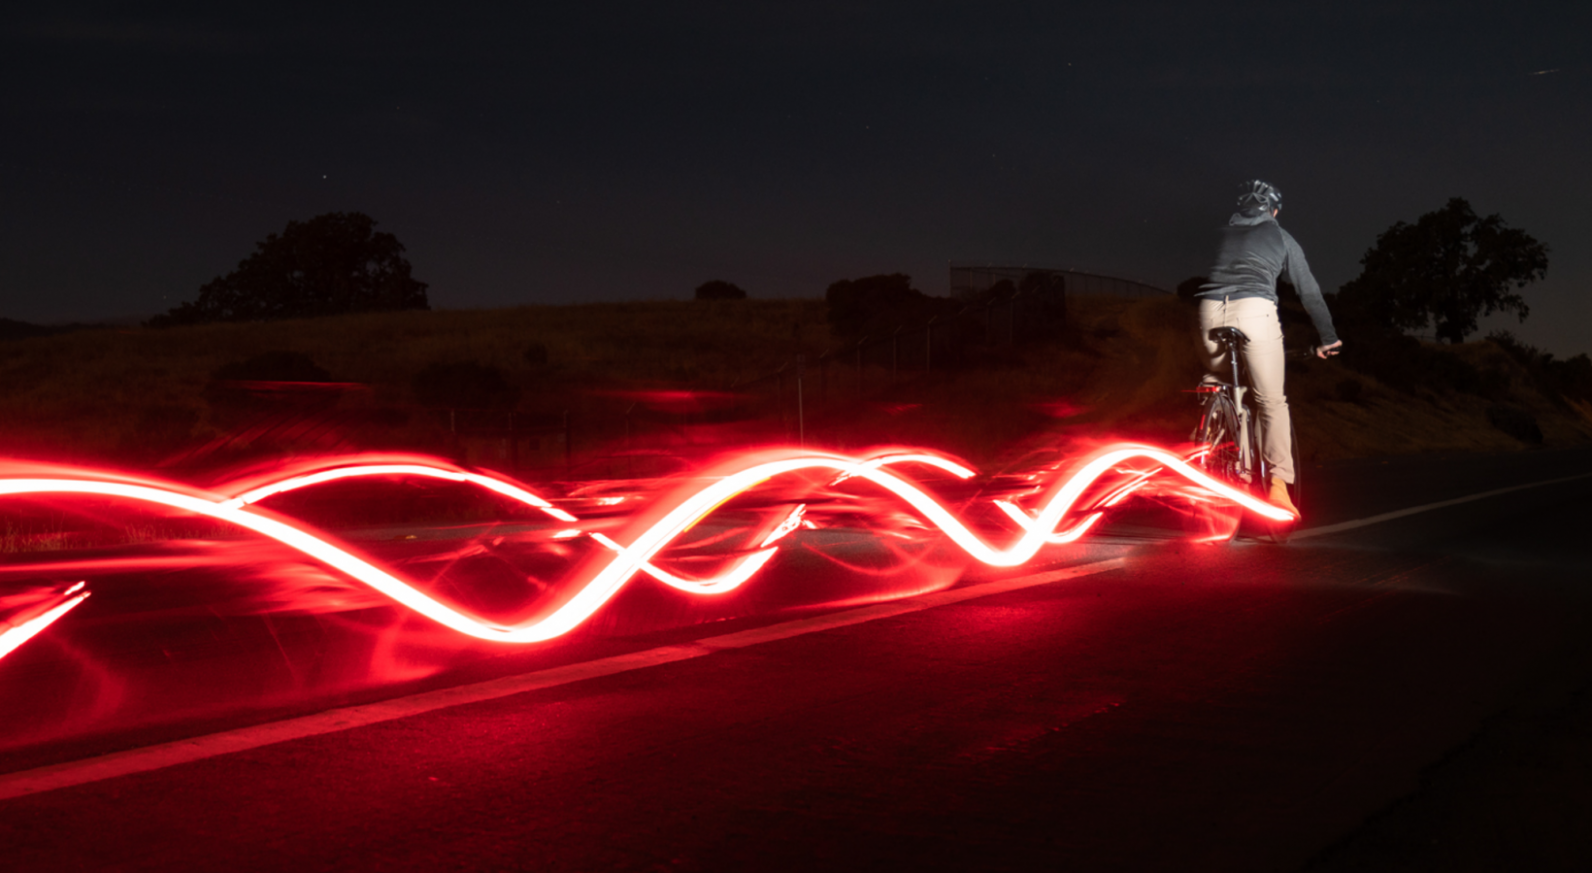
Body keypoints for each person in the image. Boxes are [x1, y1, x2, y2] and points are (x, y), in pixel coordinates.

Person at [1195, 180, 1342, 517]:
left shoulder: (1220, 233)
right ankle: (1278, 486)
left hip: (1207, 311)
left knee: (1216, 378)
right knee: (1271, 400)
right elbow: (1309, 293)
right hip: (1254, 310)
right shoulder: (1281, 236)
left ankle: (1208, 428)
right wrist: (1328, 337)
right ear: (1273, 211)